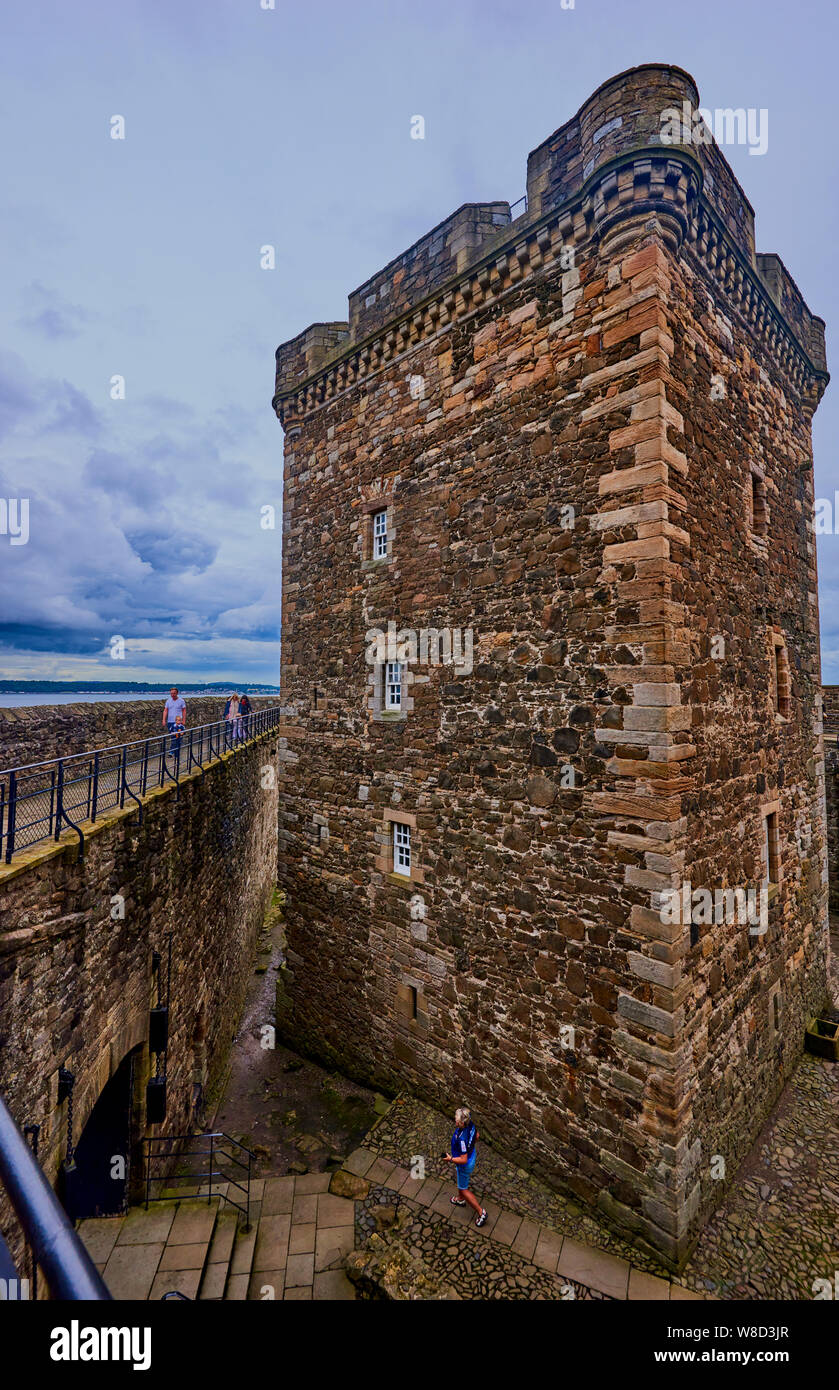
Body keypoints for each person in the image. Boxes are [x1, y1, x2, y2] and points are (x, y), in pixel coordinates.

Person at [443, 1106, 487, 1226]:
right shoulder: (470, 1123)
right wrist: (470, 1146)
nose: (455, 1120)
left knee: (464, 1188)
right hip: (472, 1154)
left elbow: (463, 1159)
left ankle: (481, 1212)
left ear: (461, 1122)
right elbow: (477, 1136)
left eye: (456, 1119)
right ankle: (460, 1199)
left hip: (465, 1164)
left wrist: (450, 1159)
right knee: (461, 1182)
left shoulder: (462, 1139)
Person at [162, 687, 186, 754]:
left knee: (178, 737)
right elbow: (165, 710)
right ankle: (175, 750)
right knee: (173, 737)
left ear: (177, 693)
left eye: (174, 693)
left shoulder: (181, 701)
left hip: (179, 722)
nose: (172, 695)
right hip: (170, 722)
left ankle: (172, 751)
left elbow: (184, 711)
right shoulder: (168, 701)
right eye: (171, 693)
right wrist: (164, 719)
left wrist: (183, 720)